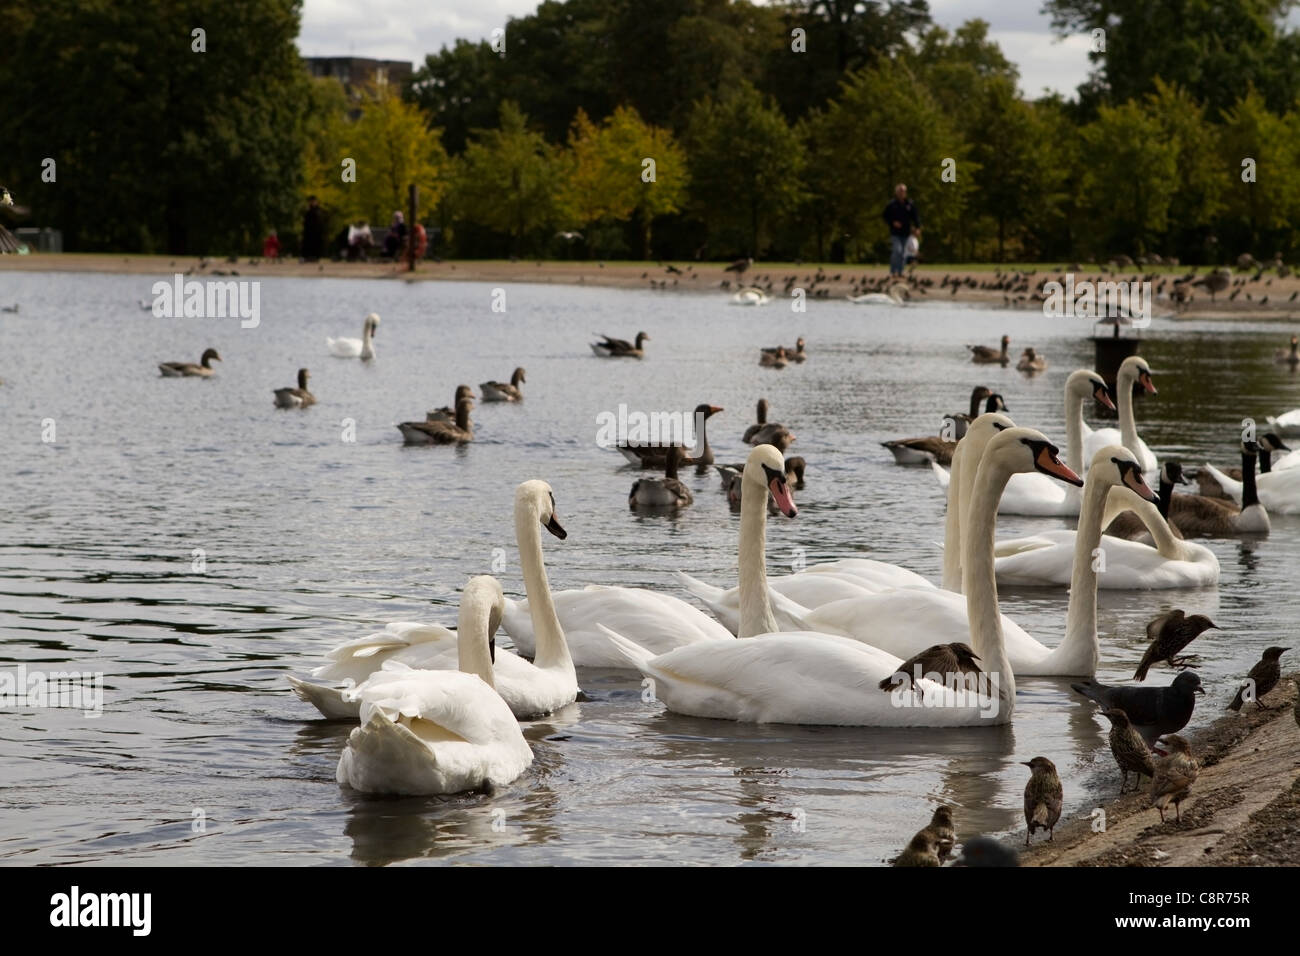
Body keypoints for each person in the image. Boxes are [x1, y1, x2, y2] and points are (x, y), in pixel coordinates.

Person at [883, 183, 920, 278]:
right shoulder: (892, 204)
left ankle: (900, 271)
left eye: (903, 191)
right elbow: (885, 216)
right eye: (900, 191)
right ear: (896, 192)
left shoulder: (909, 204)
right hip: (895, 233)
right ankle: (893, 271)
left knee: (903, 252)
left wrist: (917, 228)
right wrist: (893, 222)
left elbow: (915, 217)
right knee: (897, 250)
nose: (902, 193)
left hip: (906, 232)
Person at [301, 196, 325, 261]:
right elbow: (305, 220)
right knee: (308, 244)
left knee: (316, 244)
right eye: (312, 201)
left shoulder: (319, 210)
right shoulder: (308, 210)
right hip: (309, 231)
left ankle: (316, 257)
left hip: (317, 231)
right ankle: (307, 256)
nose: (313, 202)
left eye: (314, 201)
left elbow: (320, 220)